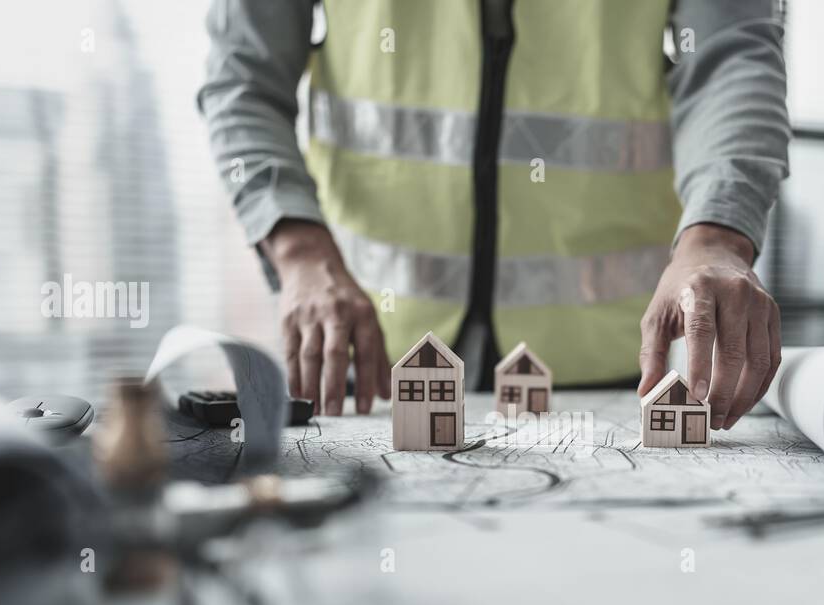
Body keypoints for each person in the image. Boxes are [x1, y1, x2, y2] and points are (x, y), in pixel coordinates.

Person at [199, 0, 789, 429]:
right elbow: (242, 80)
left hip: (606, 376)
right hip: (370, 370)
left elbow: (731, 57)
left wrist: (717, 234)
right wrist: (299, 252)